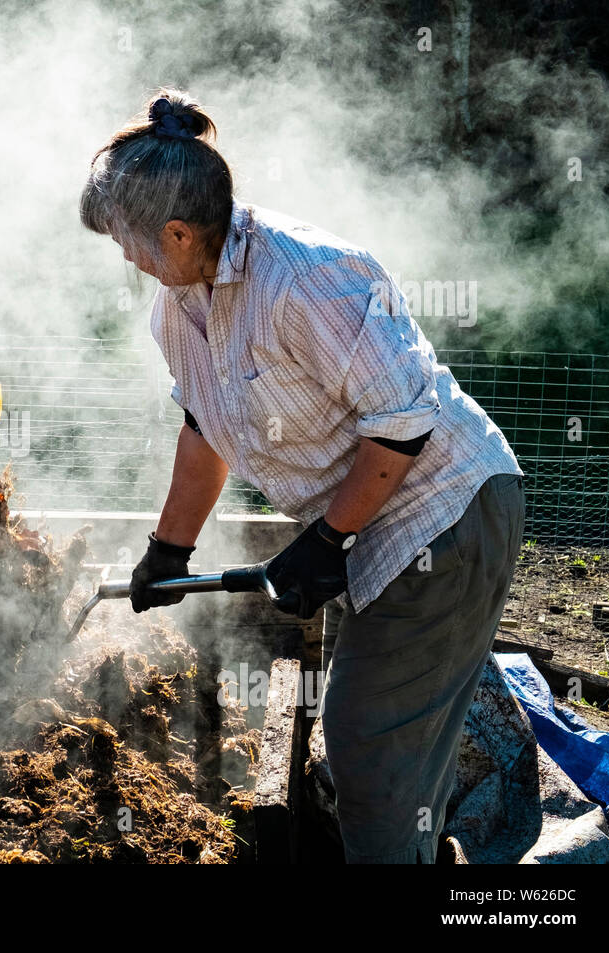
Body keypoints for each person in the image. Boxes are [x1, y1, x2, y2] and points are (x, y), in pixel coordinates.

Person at [80, 89, 526, 863]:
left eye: (128, 239)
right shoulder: (179, 307)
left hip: (448, 514)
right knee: (387, 748)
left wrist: (326, 539)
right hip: (383, 534)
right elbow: (204, 430)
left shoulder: (306, 278)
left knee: (362, 739)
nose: (124, 256)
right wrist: (168, 550)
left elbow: (404, 419)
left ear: (179, 232)